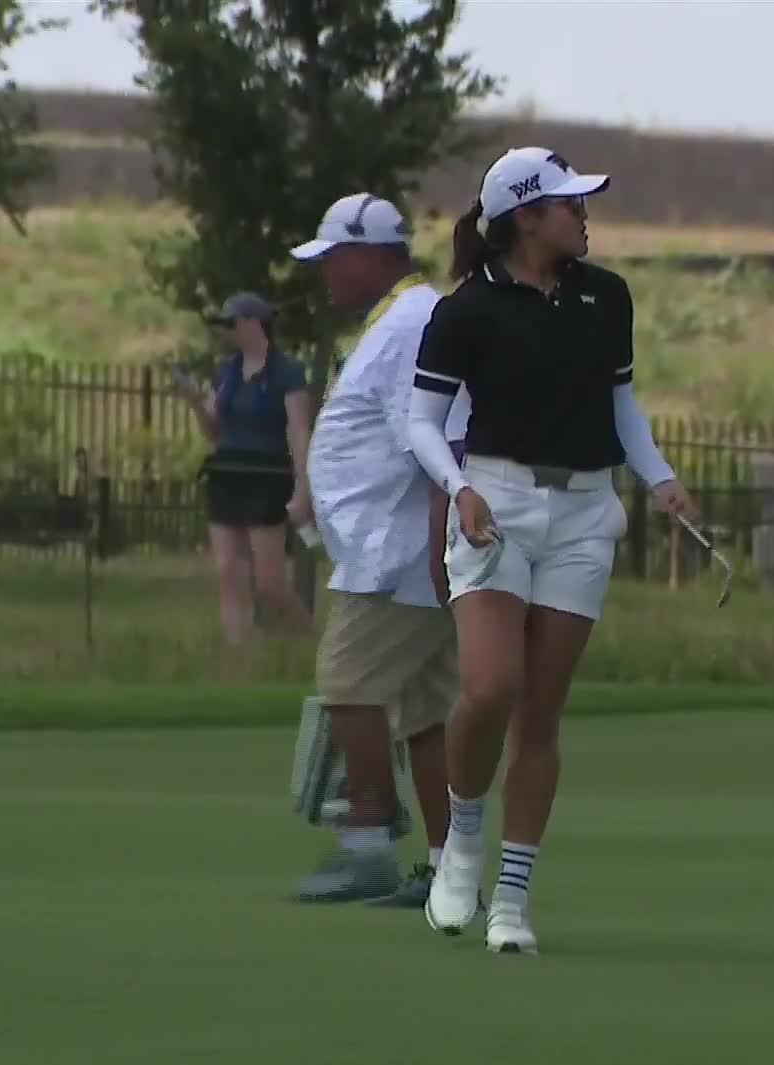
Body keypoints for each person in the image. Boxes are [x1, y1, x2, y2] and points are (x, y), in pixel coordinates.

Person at [404, 147, 697, 954]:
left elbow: (621, 407)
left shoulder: (607, 297)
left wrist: (662, 479)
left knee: (541, 714)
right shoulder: (467, 308)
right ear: (525, 218)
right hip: (497, 502)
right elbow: (421, 421)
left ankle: (512, 901)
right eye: (568, 204)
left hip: (584, 513)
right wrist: (457, 488)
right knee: (491, 687)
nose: (583, 213)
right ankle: (462, 835)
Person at [285, 192, 472, 905]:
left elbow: (431, 434)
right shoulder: (396, 320)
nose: (326, 274)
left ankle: (367, 840)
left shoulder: (412, 322)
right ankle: (444, 869)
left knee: (348, 690)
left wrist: (435, 539)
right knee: (424, 715)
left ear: (369, 255)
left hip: (395, 560)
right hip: (388, 553)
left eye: (333, 259)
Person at [174, 291, 314, 645]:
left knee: (269, 585)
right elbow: (213, 431)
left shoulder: (287, 372)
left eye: (231, 323)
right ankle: (240, 655)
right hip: (227, 474)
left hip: (267, 478)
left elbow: (298, 431)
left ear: (254, 322)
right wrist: (194, 401)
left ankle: (315, 644)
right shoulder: (226, 372)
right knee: (227, 572)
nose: (227, 331)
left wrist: (303, 488)